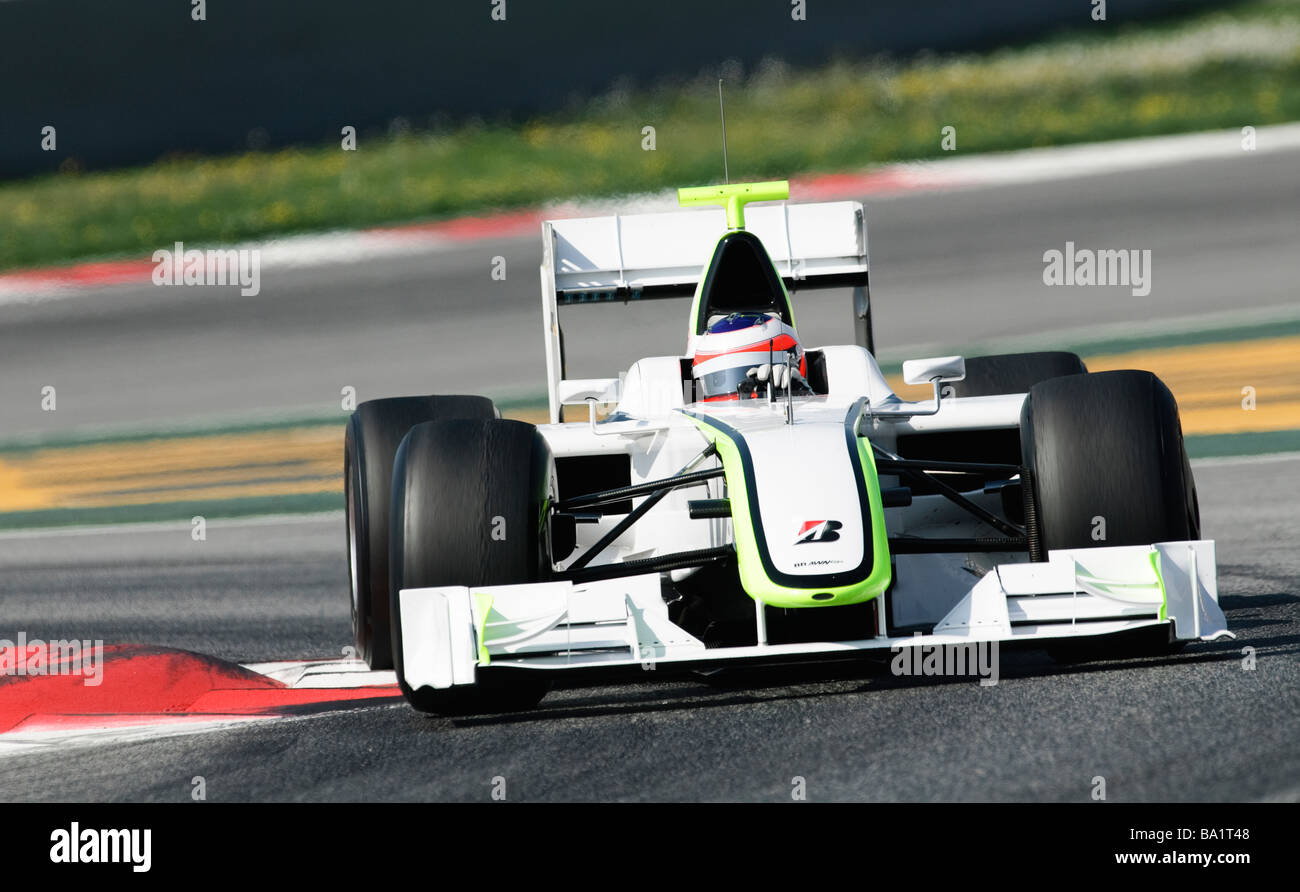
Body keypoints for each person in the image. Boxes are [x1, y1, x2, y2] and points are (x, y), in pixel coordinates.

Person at [691, 311, 811, 402]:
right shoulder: (690, 392)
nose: (742, 390)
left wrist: (801, 394)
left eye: (751, 381)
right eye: (718, 380)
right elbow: (691, 405)